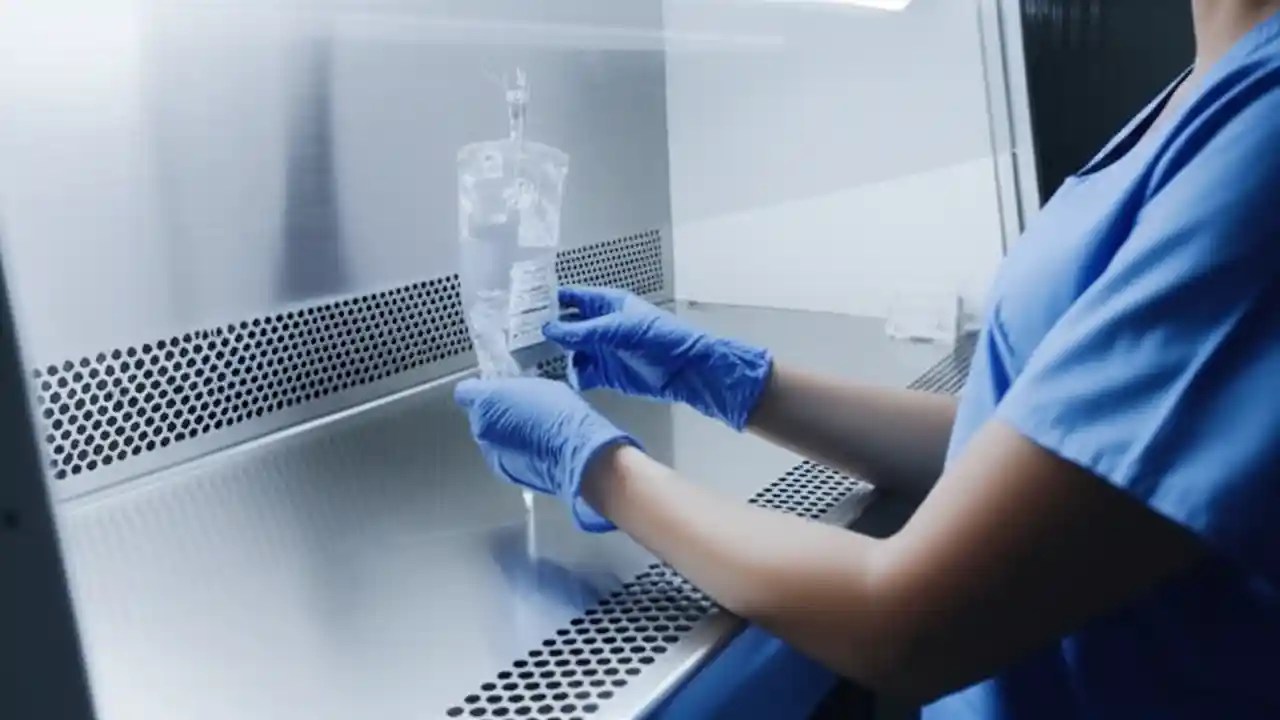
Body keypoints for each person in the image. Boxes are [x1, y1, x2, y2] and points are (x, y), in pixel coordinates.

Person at [454, 2, 1280, 717]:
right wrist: (734, 381)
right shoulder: (1210, 79)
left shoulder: (1265, 131)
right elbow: (1049, 451)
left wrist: (599, 468)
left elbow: (906, 620)